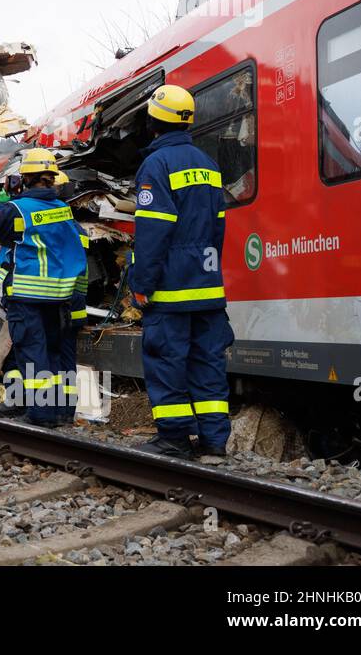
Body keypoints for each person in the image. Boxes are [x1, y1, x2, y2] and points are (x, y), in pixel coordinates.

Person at [129, 84, 233, 460]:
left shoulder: (156, 165)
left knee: (167, 360)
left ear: (153, 121)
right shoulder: (209, 165)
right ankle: (213, 441)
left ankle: (173, 437)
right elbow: (219, 229)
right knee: (207, 363)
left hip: (171, 292)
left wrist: (142, 283)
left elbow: (154, 232)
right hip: (207, 288)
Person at [0, 149, 87, 427]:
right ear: (51, 179)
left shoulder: (16, 208)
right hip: (58, 296)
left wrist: (10, 196)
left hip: (27, 295)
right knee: (51, 354)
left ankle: (41, 415)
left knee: (32, 351)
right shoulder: (63, 210)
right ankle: (54, 411)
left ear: (24, 179)